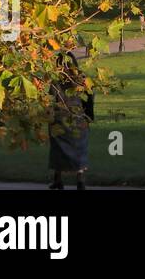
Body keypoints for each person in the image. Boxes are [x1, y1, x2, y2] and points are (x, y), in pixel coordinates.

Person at [48, 51, 93, 190]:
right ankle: (80, 179)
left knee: (58, 150)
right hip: (78, 117)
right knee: (79, 148)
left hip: (60, 118)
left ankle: (58, 179)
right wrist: (89, 115)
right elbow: (89, 98)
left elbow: (51, 98)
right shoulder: (82, 79)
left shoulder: (56, 80)